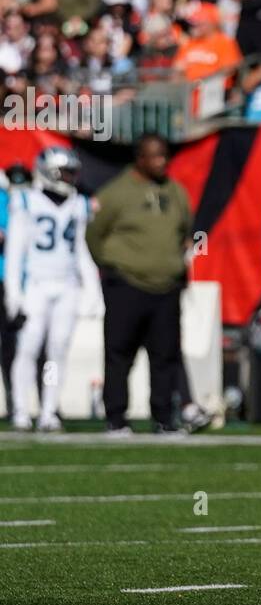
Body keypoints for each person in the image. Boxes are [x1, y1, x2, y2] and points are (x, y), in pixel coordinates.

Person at [85, 134, 192, 435]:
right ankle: (116, 417)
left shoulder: (175, 191)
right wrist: (112, 267)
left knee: (165, 355)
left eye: (164, 155)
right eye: (155, 156)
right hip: (126, 284)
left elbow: (186, 229)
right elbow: (94, 234)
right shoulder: (116, 192)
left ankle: (164, 417)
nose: (162, 161)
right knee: (120, 353)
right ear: (140, 158)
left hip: (166, 287)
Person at [3, 147, 97, 431]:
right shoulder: (25, 201)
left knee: (57, 350)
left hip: (66, 285)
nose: (70, 178)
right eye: (65, 172)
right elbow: (15, 251)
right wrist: (13, 294)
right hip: (36, 284)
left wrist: (91, 286)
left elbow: (80, 249)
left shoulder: (78, 205)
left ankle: (48, 411)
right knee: (28, 348)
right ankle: (20, 410)